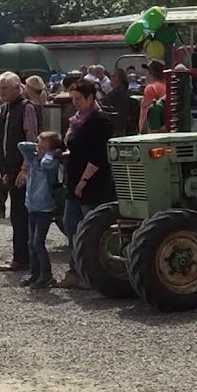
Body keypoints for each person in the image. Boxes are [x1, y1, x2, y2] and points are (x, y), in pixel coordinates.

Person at [58, 80, 114, 288]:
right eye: (73, 99)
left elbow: (98, 156)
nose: (75, 104)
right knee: (71, 226)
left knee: (89, 231)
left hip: (91, 183)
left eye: (79, 99)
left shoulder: (100, 122)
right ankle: (76, 269)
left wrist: (83, 181)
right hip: (74, 182)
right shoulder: (77, 121)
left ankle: (91, 274)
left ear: (91, 98)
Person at [0, 71, 40, 271]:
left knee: (20, 215)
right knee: (16, 215)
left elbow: (32, 140)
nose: (1, 92)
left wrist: (25, 168)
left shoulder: (25, 108)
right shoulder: (6, 109)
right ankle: (20, 255)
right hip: (10, 170)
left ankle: (22, 258)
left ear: (16, 88)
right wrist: (4, 170)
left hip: (22, 170)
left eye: (5, 88)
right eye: (0, 88)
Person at [19, 131, 63, 288]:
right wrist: (38, 147)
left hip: (45, 207)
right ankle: (35, 273)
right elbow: (22, 146)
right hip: (32, 206)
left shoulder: (49, 162)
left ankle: (46, 275)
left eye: (44, 147)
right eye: (39, 145)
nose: (39, 149)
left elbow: (47, 164)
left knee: (38, 242)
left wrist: (49, 153)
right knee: (31, 242)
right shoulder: (34, 159)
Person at [138, 61, 167, 133]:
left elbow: (146, 113)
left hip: (152, 135)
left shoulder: (151, 88)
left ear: (150, 72)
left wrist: (142, 132)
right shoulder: (167, 87)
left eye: (147, 71)